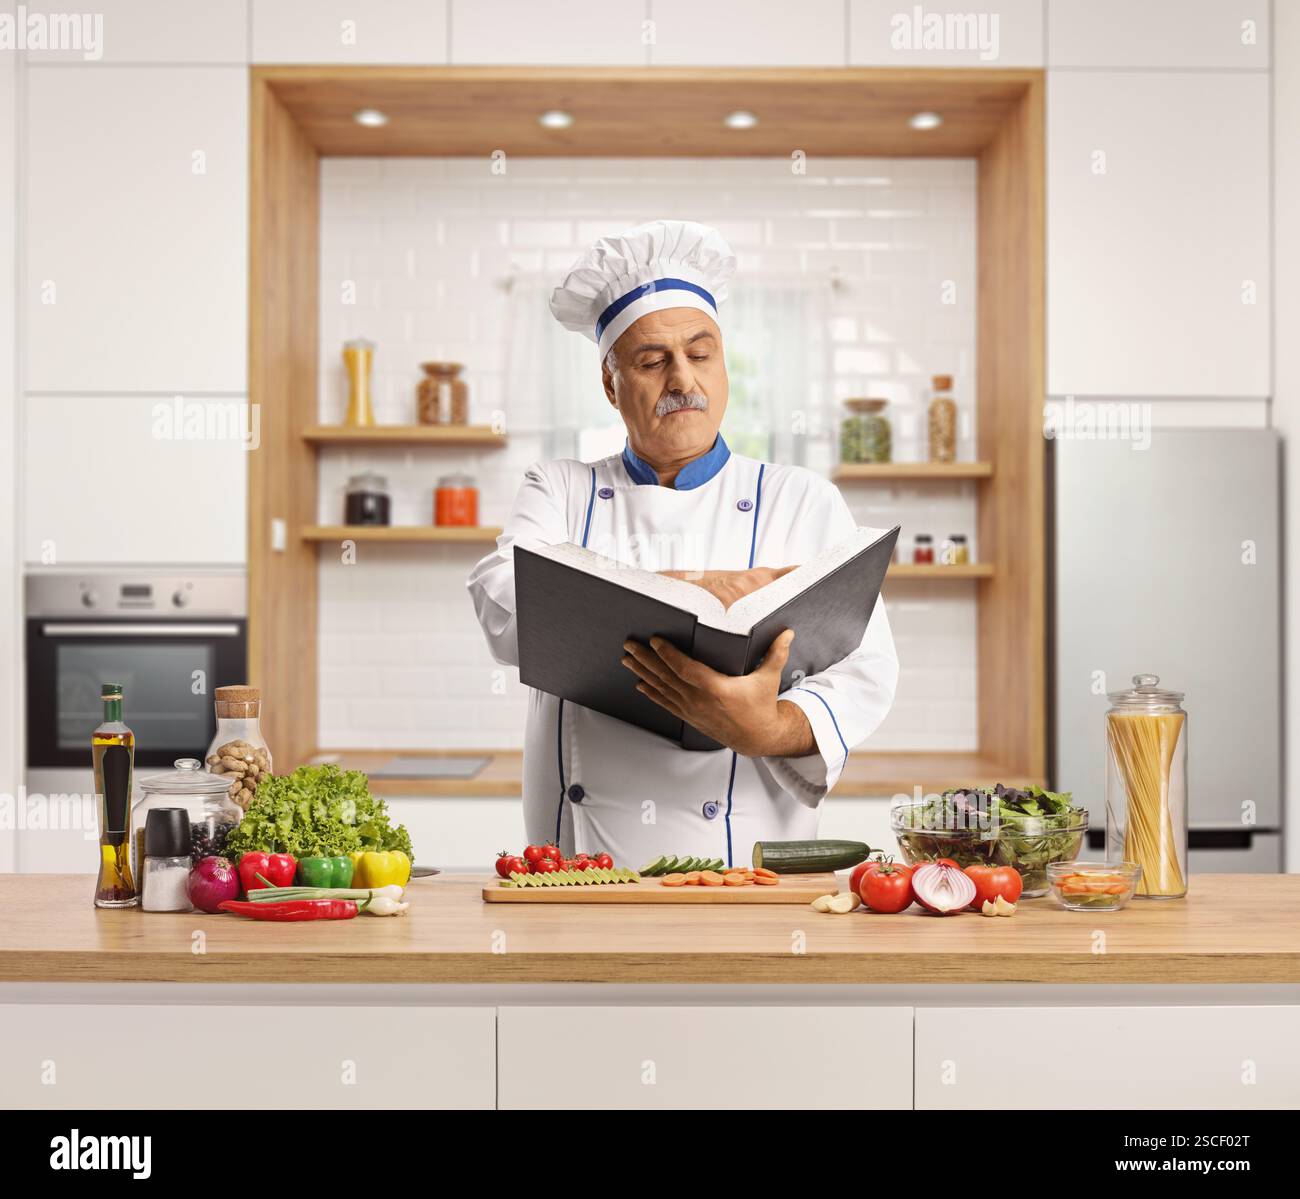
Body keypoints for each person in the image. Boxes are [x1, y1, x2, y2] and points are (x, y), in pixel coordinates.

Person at [467, 220, 898, 865]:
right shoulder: (558, 489)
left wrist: (765, 727)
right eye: (651, 361)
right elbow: (507, 608)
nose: (682, 381)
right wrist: (703, 590)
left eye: (701, 355)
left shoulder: (802, 498)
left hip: (744, 865)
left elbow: (866, 668)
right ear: (612, 385)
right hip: (578, 872)